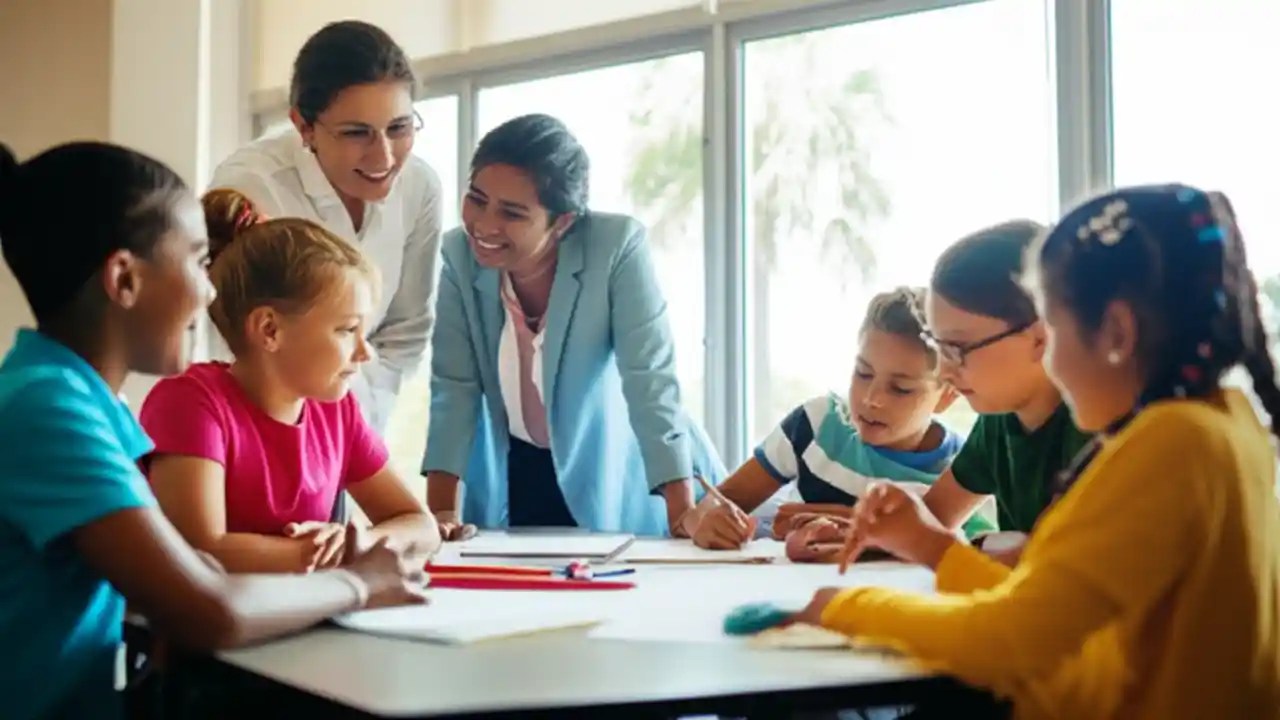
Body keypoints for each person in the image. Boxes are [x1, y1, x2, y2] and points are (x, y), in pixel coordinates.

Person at [801, 186, 1280, 719]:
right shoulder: (1226, 421)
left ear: (1117, 332)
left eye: (1053, 328)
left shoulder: (1172, 443)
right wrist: (937, 548)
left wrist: (848, 608)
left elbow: (1011, 641)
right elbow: (1045, 616)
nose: (1047, 357)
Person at [0, 141, 425, 720]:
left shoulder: (86, 400)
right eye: (200, 262)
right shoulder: (50, 408)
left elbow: (195, 571)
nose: (211, 290)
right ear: (124, 279)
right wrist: (358, 583)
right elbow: (207, 609)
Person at [423, 114, 724, 537]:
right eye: (476, 198)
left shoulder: (616, 246)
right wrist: (439, 517)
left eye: (511, 213)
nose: (484, 225)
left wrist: (682, 515)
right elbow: (454, 388)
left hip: (621, 470)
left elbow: (649, 382)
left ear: (562, 221)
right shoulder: (458, 253)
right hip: (516, 470)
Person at [139, 189, 441, 573]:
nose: (365, 352)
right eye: (348, 330)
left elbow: (421, 525)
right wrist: (325, 556)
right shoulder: (190, 402)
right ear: (269, 330)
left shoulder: (337, 410)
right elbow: (198, 550)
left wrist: (360, 541)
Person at [208, 20, 441, 433]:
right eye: (357, 133)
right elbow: (242, 343)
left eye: (399, 128)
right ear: (303, 126)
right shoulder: (252, 187)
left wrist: (360, 417)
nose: (383, 156)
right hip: (265, 427)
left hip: (364, 428)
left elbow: (407, 328)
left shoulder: (420, 186)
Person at [682, 287, 990, 555]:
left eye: (900, 389)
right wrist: (704, 522)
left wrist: (852, 520)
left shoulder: (962, 471)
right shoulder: (815, 425)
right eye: (863, 373)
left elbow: (969, 553)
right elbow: (715, 503)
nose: (872, 398)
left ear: (948, 396)